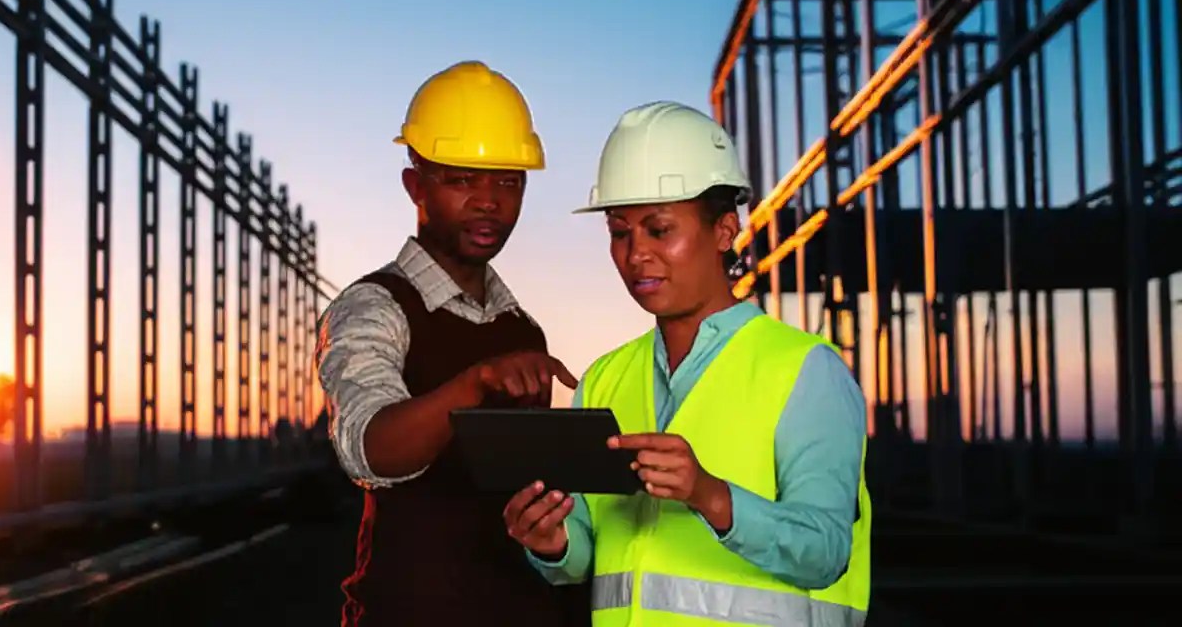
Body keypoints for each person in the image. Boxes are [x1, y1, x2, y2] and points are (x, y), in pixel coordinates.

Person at [502, 101, 871, 625]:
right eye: (619, 232)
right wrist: (552, 541)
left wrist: (710, 496)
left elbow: (826, 551)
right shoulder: (605, 378)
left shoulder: (805, 371)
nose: (635, 254)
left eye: (659, 229)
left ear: (724, 230)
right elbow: (587, 555)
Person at [317, 60, 590, 627]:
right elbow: (369, 448)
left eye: (508, 182)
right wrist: (474, 385)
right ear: (415, 185)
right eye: (462, 179)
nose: (489, 201)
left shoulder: (522, 331)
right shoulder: (376, 306)